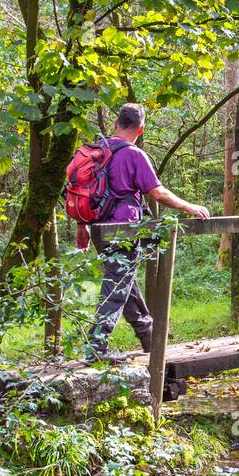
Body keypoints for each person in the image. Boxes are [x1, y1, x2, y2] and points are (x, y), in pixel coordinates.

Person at [84, 103, 210, 360]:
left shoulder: (97, 150)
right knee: (117, 284)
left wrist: (81, 226)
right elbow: (156, 192)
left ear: (116, 123)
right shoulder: (133, 154)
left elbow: (83, 190)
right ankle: (95, 348)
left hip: (98, 228)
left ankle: (148, 335)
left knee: (123, 279)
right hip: (124, 229)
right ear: (140, 129)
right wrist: (189, 207)